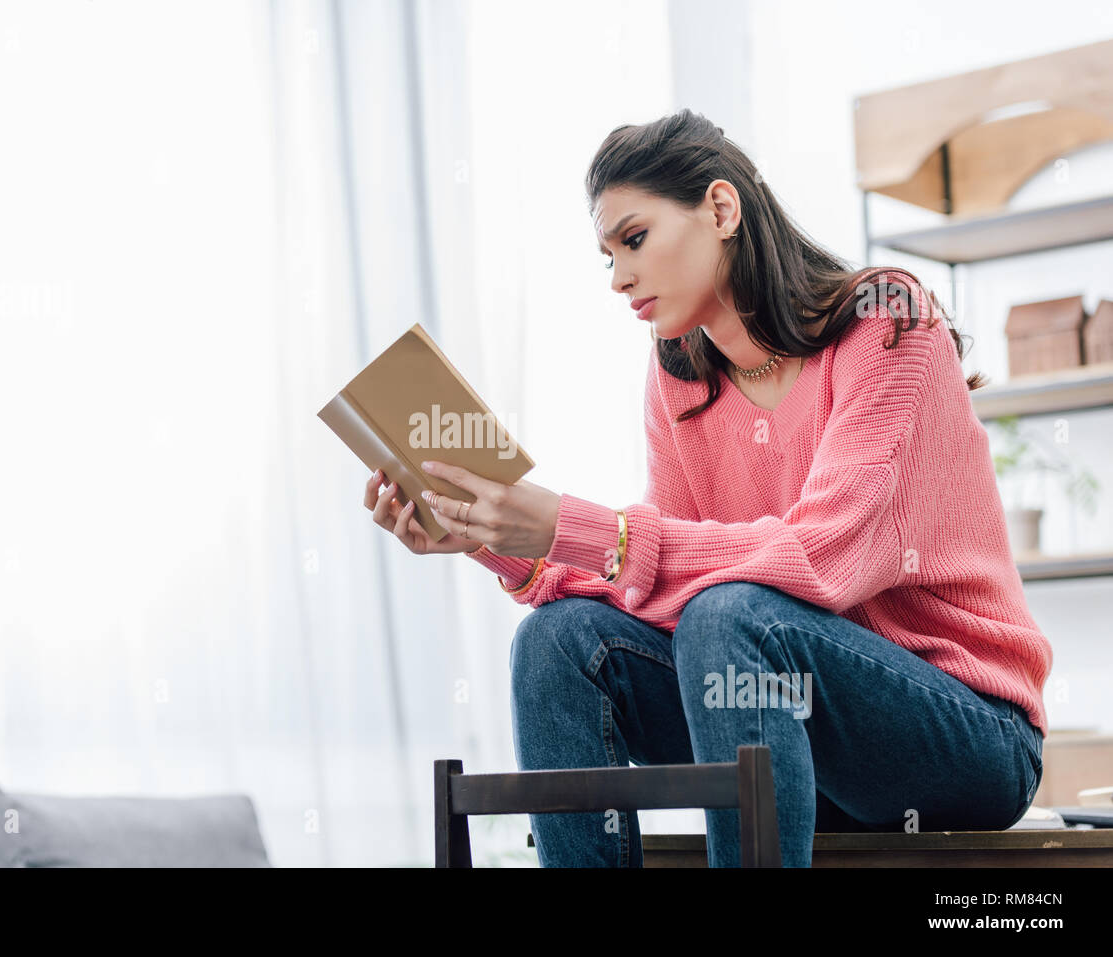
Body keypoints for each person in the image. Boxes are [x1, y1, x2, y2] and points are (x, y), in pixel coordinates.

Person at [361, 109, 1050, 867]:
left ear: (721, 209)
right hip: (792, 731)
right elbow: (662, 579)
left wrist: (573, 525)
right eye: (606, 256)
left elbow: (820, 557)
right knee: (556, 641)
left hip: (966, 733)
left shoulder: (886, 321)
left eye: (634, 239)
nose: (619, 276)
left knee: (730, 616)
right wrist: (496, 538)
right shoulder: (679, 376)